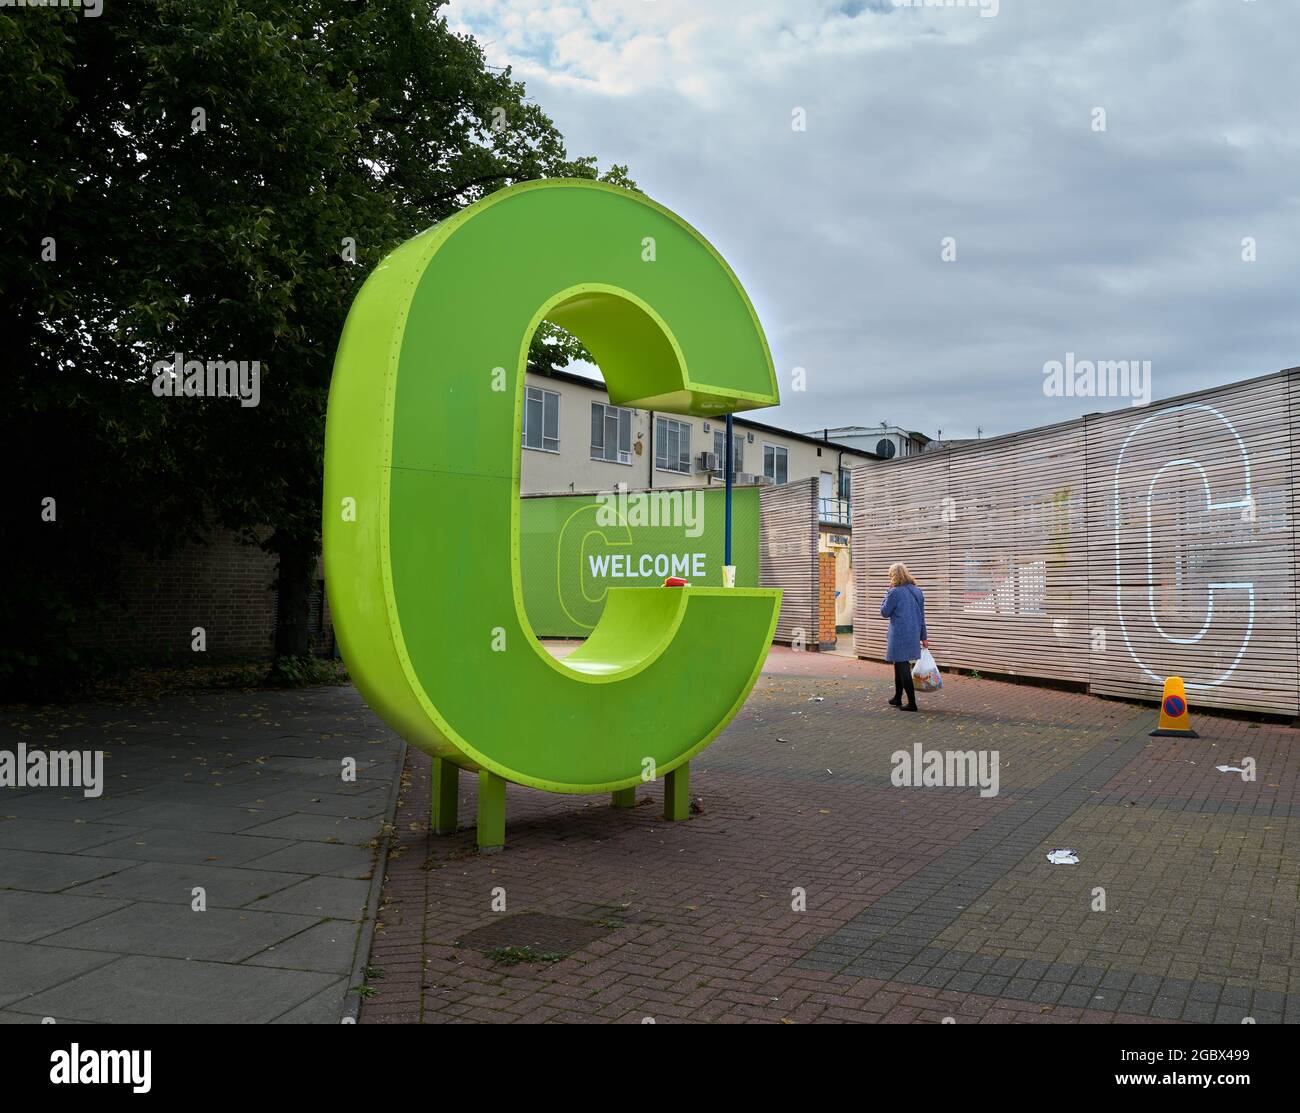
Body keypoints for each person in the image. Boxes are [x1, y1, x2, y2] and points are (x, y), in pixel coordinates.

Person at [880, 562, 928, 712]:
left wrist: (887, 593)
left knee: (903, 667)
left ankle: (912, 703)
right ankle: (897, 697)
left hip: (899, 635)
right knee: (899, 666)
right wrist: (923, 636)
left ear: (893, 576)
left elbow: (884, 612)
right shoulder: (917, 591)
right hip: (913, 634)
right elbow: (922, 617)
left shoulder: (894, 592)